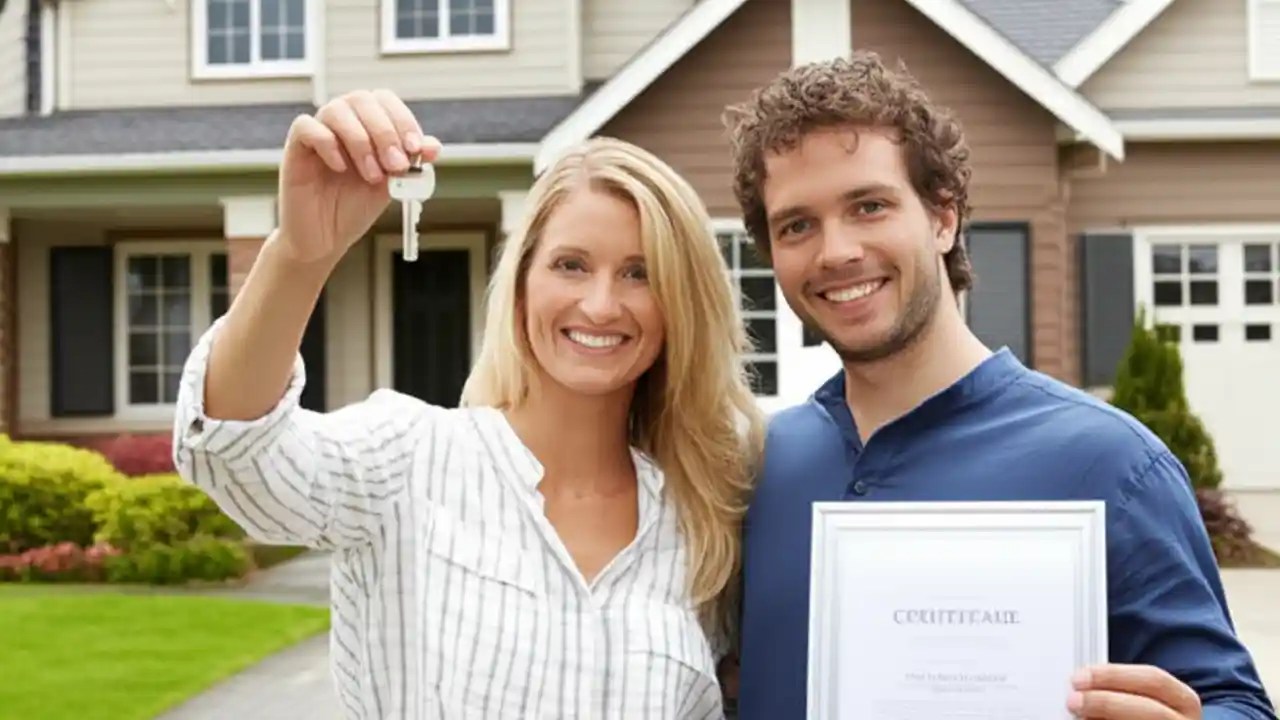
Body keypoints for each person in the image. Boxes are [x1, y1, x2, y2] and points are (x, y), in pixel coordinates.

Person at [171, 89, 765, 718]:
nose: (600, 304)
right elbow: (237, 455)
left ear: (681, 304)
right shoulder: (410, 458)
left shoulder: (707, 519)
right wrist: (300, 255)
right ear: (522, 283)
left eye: (640, 274)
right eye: (570, 265)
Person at [721, 53, 1277, 720]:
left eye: (868, 206)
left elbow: (1231, 703)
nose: (835, 250)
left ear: (943, 218)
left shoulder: (1109, 463)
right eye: (797, 225)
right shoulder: (760, 466)